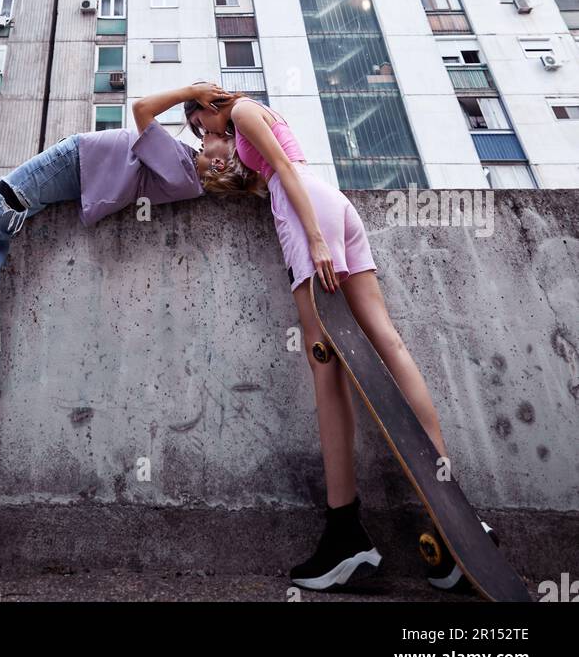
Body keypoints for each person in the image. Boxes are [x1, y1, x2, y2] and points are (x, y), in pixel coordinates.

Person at [184, 91, 482, 595]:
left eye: (202, 122)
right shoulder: (252, 122)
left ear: (214, 101)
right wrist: (221, 159)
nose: (206, 133)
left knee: (324, 359)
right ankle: (450, 511)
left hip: (308, 213)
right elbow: (267, 169)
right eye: (199, 132)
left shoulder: (240, 110)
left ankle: (346, 535)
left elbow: (280, 167)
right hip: (331, 202)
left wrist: (316, 239)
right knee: (387, 341)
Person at [0, 82, 265, 410]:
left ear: (220, 162)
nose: (212, 133)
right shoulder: (187, 166)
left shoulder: (184, 171)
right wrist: (200, 104)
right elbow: (191, 118)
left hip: (73, 161)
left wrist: (189, 89)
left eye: (224, 136)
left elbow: (142, 109)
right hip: (76, 163)